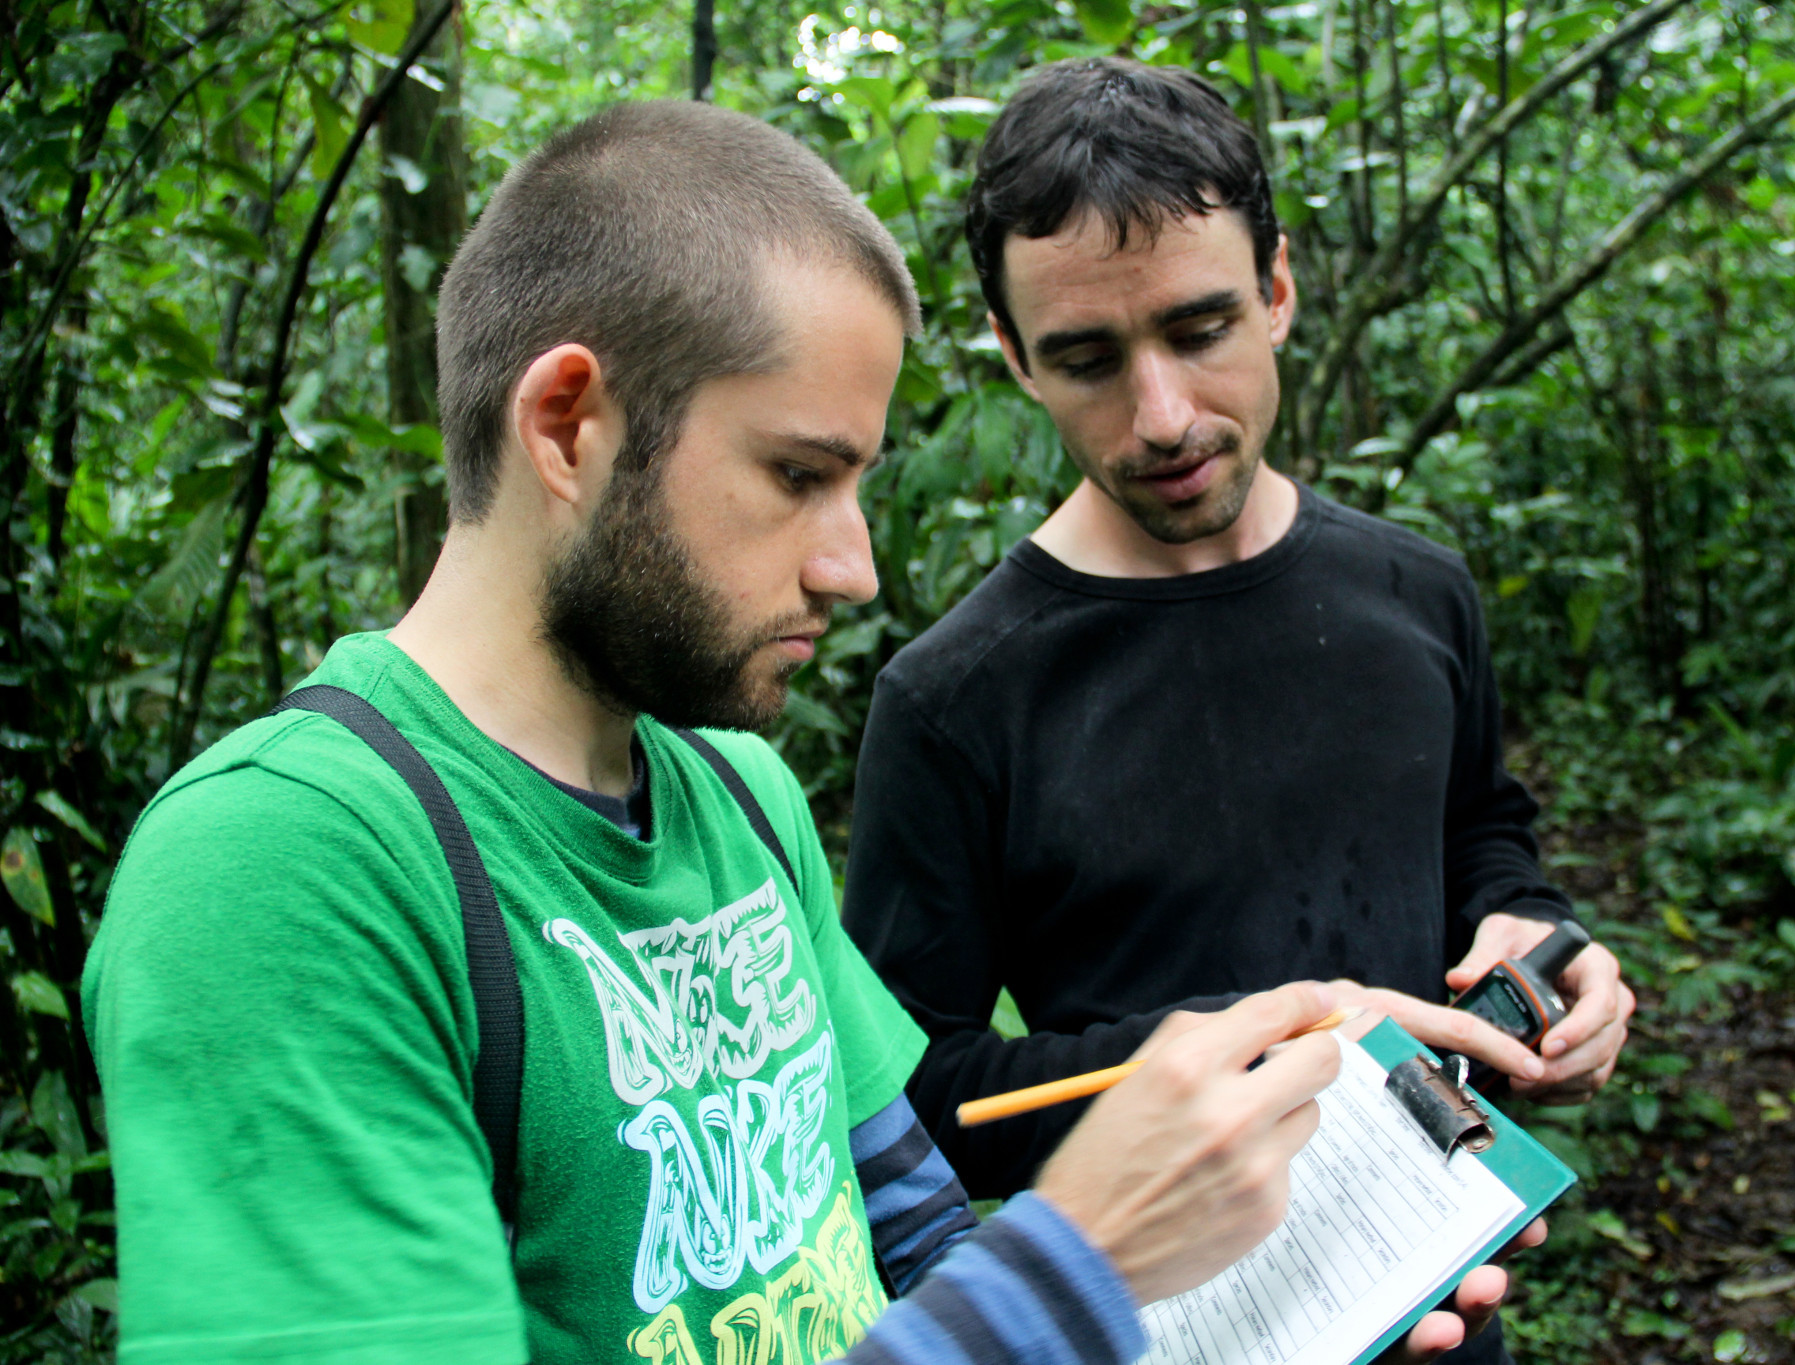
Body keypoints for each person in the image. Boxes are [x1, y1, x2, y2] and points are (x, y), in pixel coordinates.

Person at [84, 100, 1513, 1365]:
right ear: (570, 424)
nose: (855, 568)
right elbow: (1018, 1291)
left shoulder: (738, 795)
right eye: (799, 474)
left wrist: (1257, 1308)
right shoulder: (285, 870)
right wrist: (1076, 1265)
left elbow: (915, 1237)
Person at [842, 59, 1635, 1362]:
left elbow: (1486, 837)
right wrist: (1256, 1058)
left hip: (1441, 1292)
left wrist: (1545, 946)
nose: (1161, 416)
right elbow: (913, 1101)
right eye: (1088, 358)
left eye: (1200, 328)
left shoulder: (1417, 596)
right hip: (1174, 1328)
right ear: (1013, 354)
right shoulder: (955, 697)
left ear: (1277, 286)